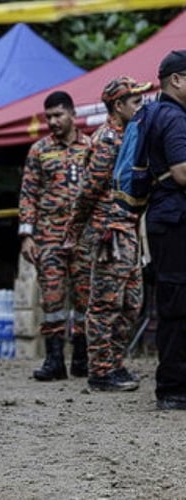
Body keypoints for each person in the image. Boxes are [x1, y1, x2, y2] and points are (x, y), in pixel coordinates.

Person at [67, 77, 150, 392]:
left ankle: (115, 364)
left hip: (128, 230)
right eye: (135, 101)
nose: (141, 106)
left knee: (131, 303)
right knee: (104, 303)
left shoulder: (131, 135)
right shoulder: (107, 140)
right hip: (109, 233)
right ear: (118, 105)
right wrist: (75, 228)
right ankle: (100, 371)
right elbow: (89, 190)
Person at [18, 91, 91, 382]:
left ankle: (83, 358)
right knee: (51, 298)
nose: (53, 121)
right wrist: (26, 235)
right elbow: (28, 194)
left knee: (86, 296)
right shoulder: (39, 150)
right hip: (49, 236)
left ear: (72, 114)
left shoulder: (91, 146)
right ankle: (54, 360)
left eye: (58, 115)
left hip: (83, 235)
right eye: (48, 116)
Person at [144, 50, 186, 410]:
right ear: (176, 79)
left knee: (176, 301)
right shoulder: (173, 117)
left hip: (166, 219)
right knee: (176, 303)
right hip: (173, 220)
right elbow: (182, 172)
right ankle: (172, 389)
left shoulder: (158, 112)